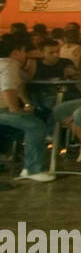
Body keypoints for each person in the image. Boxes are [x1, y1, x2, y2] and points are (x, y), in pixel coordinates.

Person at [0, 33, 55, 182]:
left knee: (30, 119)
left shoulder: (5, 63)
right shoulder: (9, 64)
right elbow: (8, 88)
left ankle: (26, 165)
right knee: (35, 125)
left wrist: (26, 103)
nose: (27, 56)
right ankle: (33, 169)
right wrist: (15, 108)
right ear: (17, 52)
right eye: (25, 52)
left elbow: (19, 85)